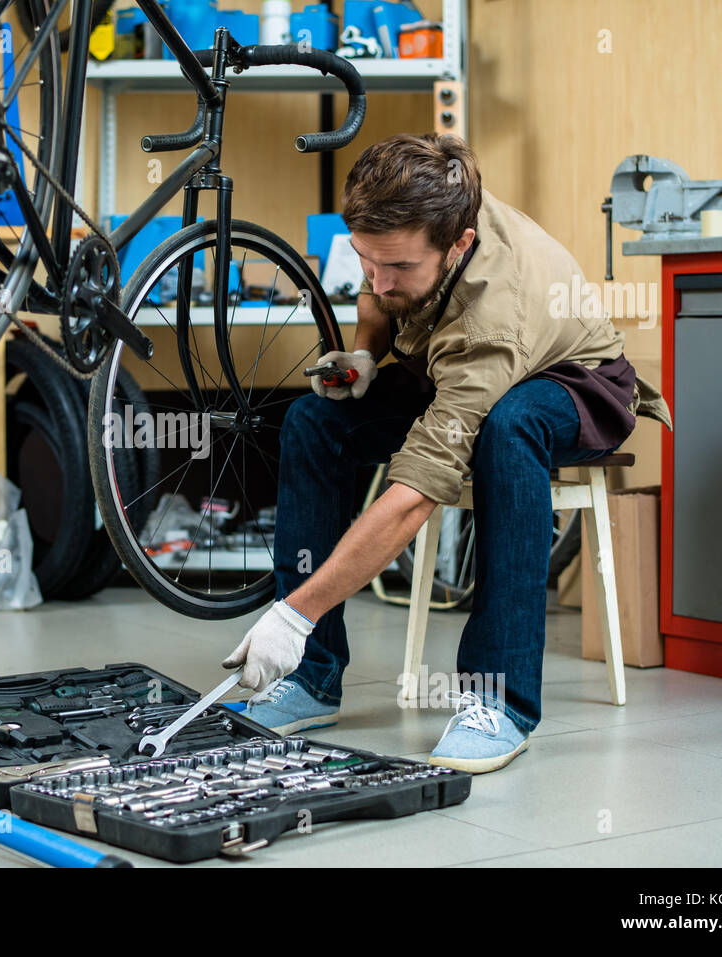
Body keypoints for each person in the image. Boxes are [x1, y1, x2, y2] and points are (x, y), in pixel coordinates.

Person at [222, 133, 672, 773]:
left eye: (398, 268)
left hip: (575, 381)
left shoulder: (491, 318)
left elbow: (415, 496)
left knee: (509, 429)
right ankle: (312, 676)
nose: (378, 280)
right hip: (448, 366)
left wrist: (293, 614)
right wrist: (363, 355)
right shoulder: (416, 216)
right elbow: (382, 288)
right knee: (313, 419)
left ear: (458, 246)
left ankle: (502, 701)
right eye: (366, 261)